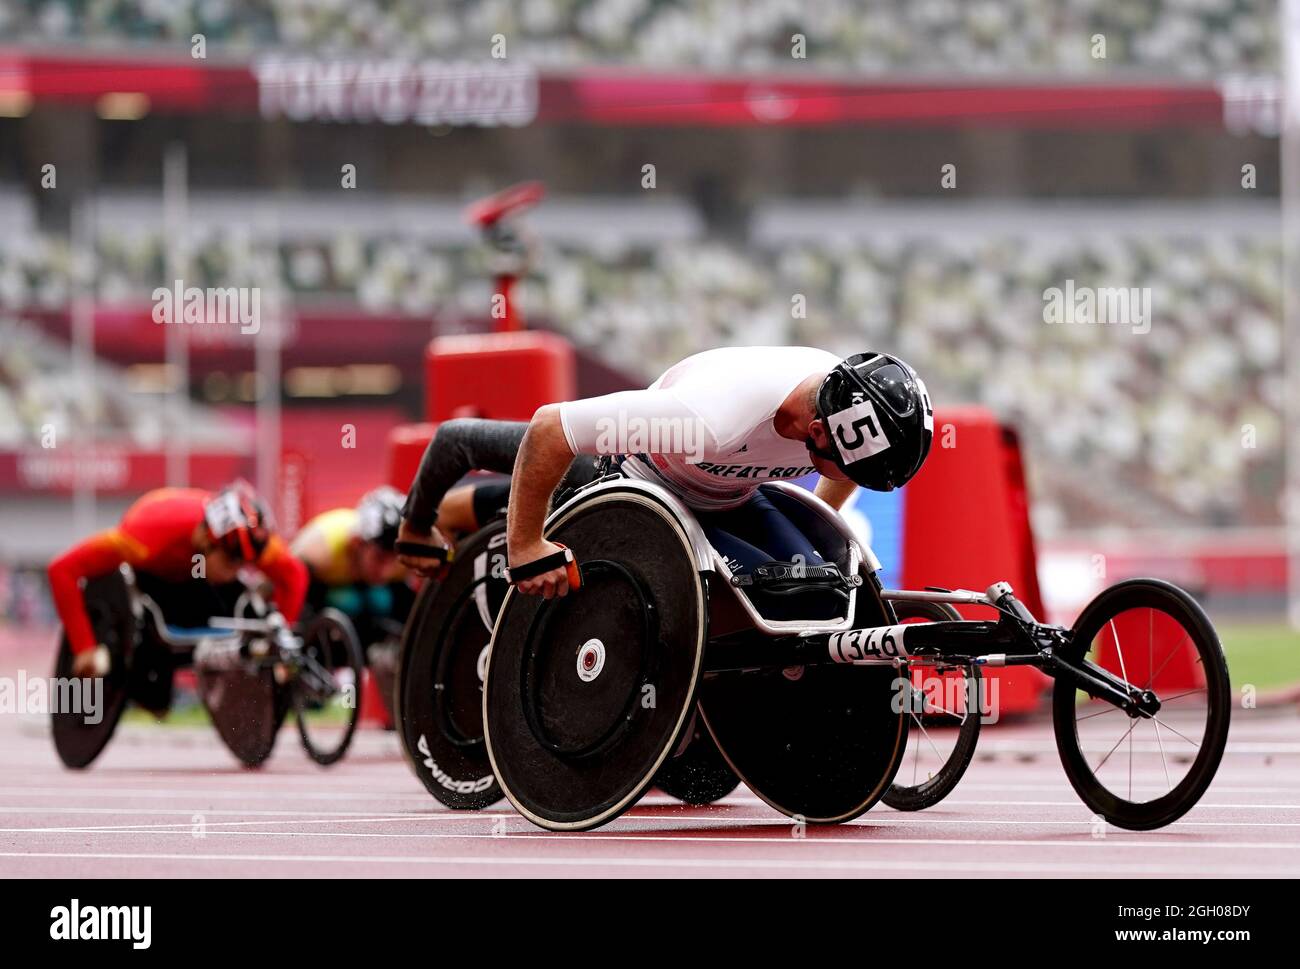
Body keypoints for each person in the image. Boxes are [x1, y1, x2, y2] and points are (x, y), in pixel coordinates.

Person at [501, 347, 933, 611]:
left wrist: (817, 520)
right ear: (817, 432)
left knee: (821, 592)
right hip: (647, 491)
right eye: (853, 470)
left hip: (732, 496)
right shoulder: (707, 419)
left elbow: (848, 465)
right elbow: (550, 428)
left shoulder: (840, 399)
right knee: (735, 601)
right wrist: (524, 547)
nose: (851, 478)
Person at [48, 480, 308, 678]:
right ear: (208, 541)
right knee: (155, 691)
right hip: (155, 571)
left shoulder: (247, 541)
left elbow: (295, 574)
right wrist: (84, 646)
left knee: (238, 598)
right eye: (231, 563)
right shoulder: (141, 541)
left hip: (195, 573)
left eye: (245, 564)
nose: (239, 570)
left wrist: (282, 639)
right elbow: (61, 570)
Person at [395, 418, 601, 576]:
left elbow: (455, 441)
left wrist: (416, 524)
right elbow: (453, 441)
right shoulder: (592, 466)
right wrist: (416, 526)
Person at [290, 486, 416, 644]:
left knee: (381, 600)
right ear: (357, 543)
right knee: (349, 602)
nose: (385, 570)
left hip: (372, 599)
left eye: (393, 559)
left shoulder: (407, 559)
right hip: (326, 597)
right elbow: (283, 581)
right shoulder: (319, 550)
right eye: (380, 558)